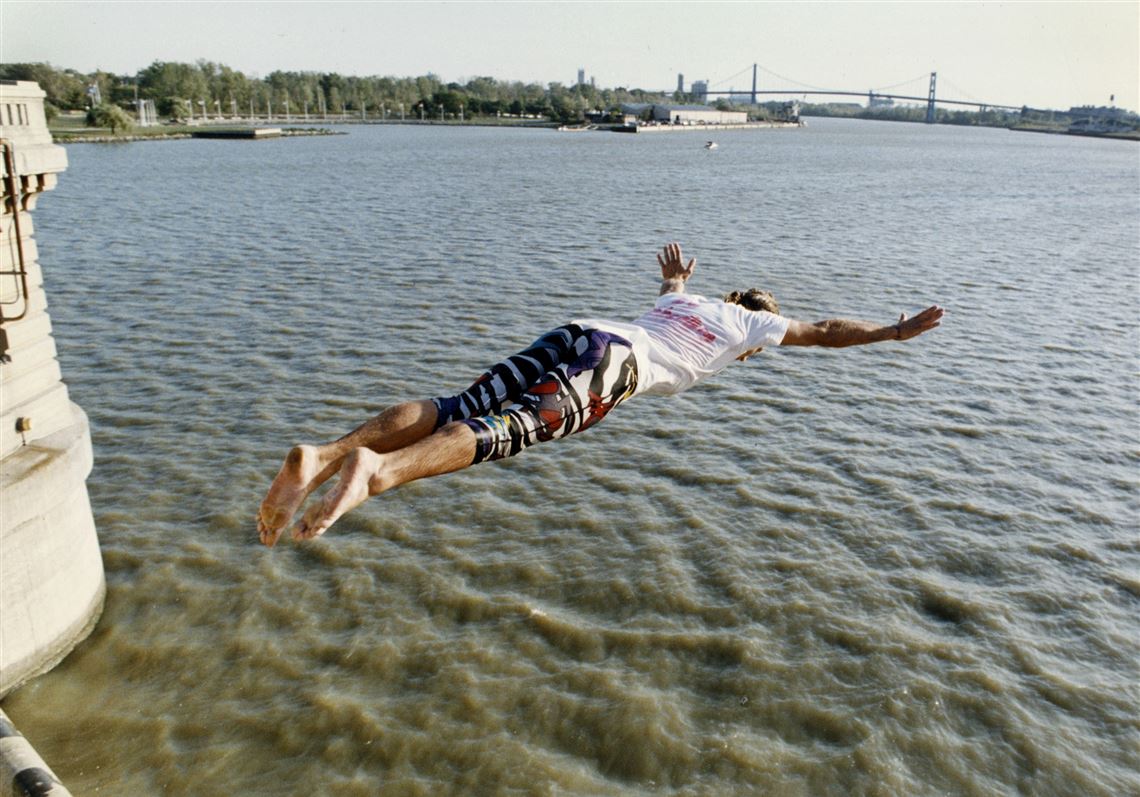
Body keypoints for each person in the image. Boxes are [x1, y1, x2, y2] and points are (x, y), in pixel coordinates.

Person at [257, 243, 943, 547]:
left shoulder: (690, 302)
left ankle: (326, 454)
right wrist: (893, 331)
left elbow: (671, 289)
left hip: (583, 330)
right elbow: (823, 331)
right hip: (616, 364)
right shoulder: (753, 326)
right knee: (506, 430)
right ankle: (375, 473)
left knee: (458, 405)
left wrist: (678, 278)